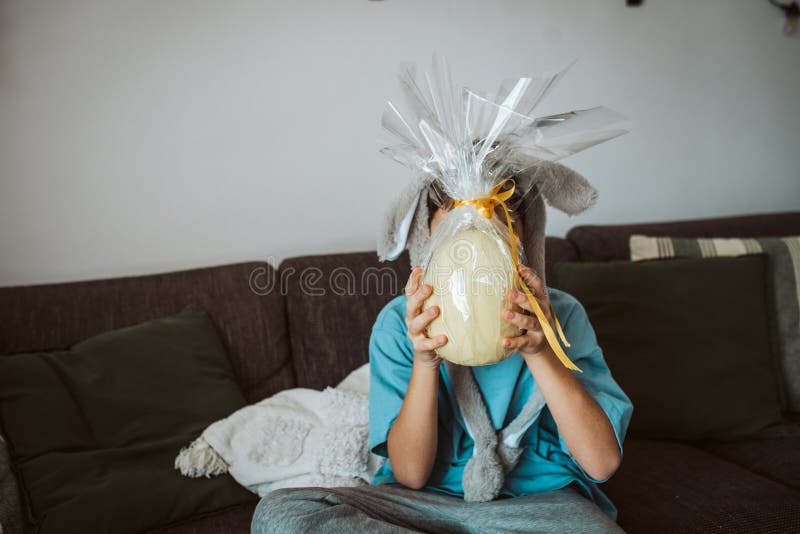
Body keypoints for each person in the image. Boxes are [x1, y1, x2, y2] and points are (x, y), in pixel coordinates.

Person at [251, 185, 633, 534]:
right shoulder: (400, 322)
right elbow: (412, 475)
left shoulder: (562, 316)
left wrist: (540, 351)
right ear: (428, 246)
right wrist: (426, 361)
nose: (476, 263)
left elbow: (600, 463)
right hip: (422, 507)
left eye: (498, 238)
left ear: (524, 246)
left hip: (538, 510)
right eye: (456, 240)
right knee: (283, 514)